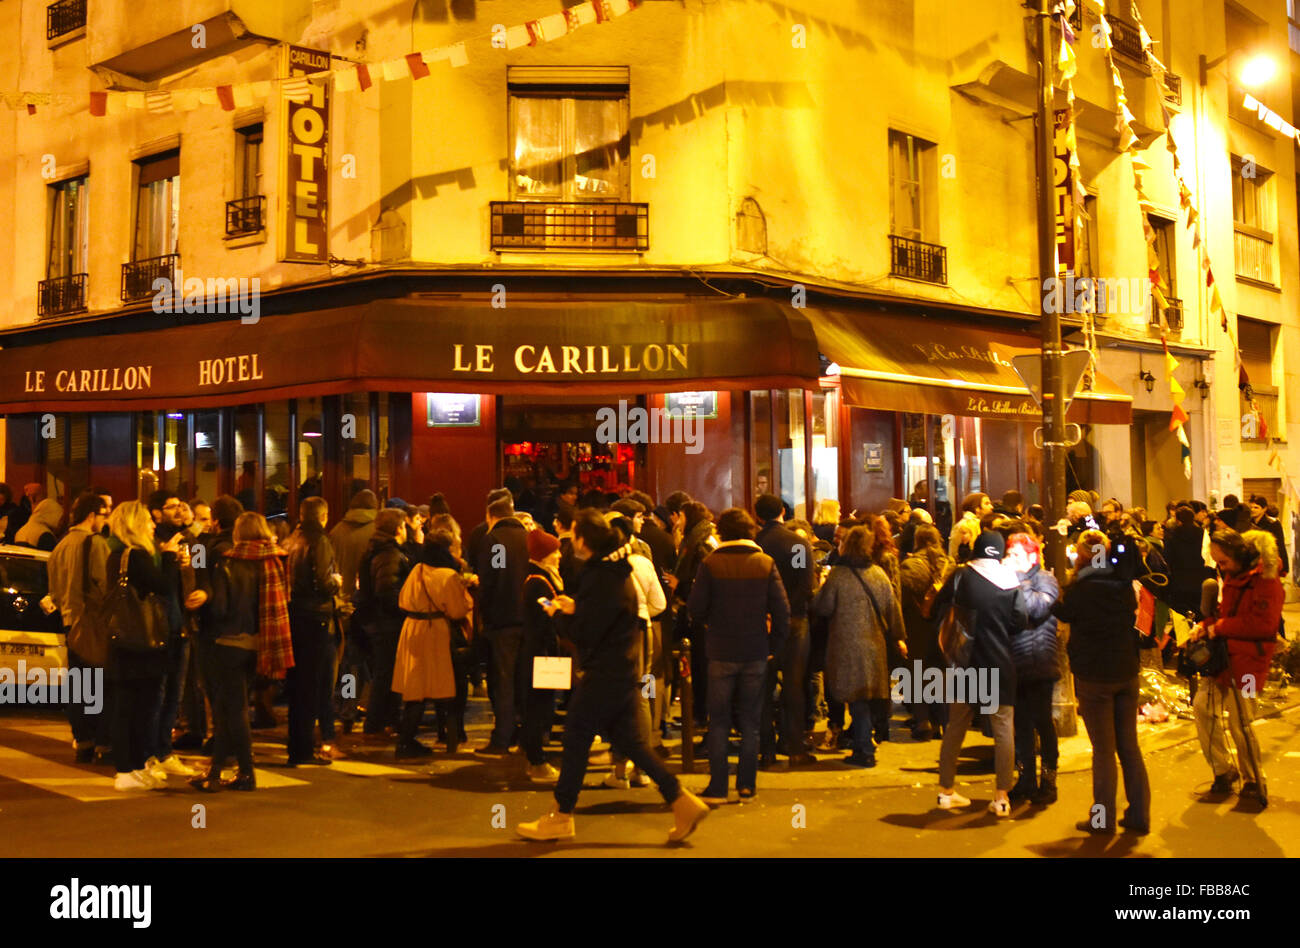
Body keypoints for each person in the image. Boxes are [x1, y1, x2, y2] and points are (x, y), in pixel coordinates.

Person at [515, 510, 709, 842]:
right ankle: (681, 799)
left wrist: (560, 614)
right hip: (621, 668)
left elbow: (586, 632)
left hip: (604, 672)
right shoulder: (614, 571)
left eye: (573, 534)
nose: (569, 542)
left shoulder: (601, 576)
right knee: (632, 744)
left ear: (584, 540)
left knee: (576, 738)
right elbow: (603, 617)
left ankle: (562, 815)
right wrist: (576, 608)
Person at [688, 508, 789, 802]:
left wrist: (711, 622)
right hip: (755, 650)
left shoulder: (710, 563)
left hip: (720, 650)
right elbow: (782, 612)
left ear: (723, 532)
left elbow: (695, 608)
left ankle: (718, 786)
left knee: (718, 720)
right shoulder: (765, 563)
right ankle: (747, 785)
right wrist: (773, 647)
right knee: (750, 721)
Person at [1052, 530, 1150, 834]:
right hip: (1125, 670)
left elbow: (1064, 613)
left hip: (1094, 675)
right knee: (1129, 747)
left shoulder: (1081, 588)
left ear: (1082, 555)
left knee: (1104, 751)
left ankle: (1102, 819)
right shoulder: (1122, 584)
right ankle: (1139, 815)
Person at [192, 512, 295, 792]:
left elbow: (221, 608)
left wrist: (202, 608)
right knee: (232, 709)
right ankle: (215, 772)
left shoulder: (229, 562)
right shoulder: (275, 560)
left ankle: (246, 772)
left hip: (229, 644)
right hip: (261, 644)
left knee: (231, 711)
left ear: (238, 533)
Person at [1190, 530, 1282, 807]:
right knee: (1202, 709)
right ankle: (1222, 770)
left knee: (1241, 723)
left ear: (1239, 557)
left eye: (1223, 562)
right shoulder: (1231, 578)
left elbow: (1264, 626)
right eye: (1217, 563)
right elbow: (1226, 614)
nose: (1220, 568)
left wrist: (1219, 628)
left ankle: (1254, 780)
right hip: (1224, 661)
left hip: (1251, 667)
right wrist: (1205, 627)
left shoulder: (1267, 582)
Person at [935, 530, 1019, 817]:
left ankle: (946, 791)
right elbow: (1020, 620)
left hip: (964, 663)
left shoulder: (961, 576)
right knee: (1003, 728)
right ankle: (1001, 797)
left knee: (956, 726)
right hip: (999, 662)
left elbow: (937, 606)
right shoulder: (1010, 581)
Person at [104, 501, 185, 791]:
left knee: (133, 705)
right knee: (136, 707)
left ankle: (135, 766)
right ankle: (128, 768)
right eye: (148, 521)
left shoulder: (118, 555)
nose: (153, 526)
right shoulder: (136, 556)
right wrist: (170, 557)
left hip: (126, 641)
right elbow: (163, 586)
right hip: (141, 642)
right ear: (135, 524)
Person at [813, 524, 906, 768]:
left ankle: (864, 750)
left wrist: (821, 585)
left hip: (844, 645)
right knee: (865, 697)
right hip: (874, 644)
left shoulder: (838, 576)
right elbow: (892, 608)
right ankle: (866, 743)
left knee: (856, 700)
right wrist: (899, 637)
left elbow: (822, 607)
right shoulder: (878, 573)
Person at [392, 528, 474, 759]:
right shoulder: (447, 576)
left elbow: (402, 600)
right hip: (435, 632)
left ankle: (406, 739)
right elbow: (457, 610)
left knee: (415, 688)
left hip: (411, 629)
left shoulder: (417, 569)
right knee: (439, 686)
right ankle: (444, 736)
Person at [47, 491, 112, 764]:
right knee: (101, 685)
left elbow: (54, 590)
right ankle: (101, 743)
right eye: (104, 514)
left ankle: (82, 741)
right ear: (91, 516)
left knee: (79, 685)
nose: (105, 520)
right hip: (93, 623)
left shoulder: (61, 545)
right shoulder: (94, 543)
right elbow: (105, 585)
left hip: (69, 622)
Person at [755, 493, 816, 765]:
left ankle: (766, 750)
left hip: (762, 623)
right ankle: (794, 746)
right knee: (794, 685)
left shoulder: (756, 545)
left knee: (763, 688)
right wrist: (789, 610)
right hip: (795, 621)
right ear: (782, 511)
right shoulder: (798, 544)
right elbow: (806, 586)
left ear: (758, 515)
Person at [283, 497, 342, 766]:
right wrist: (335, 583)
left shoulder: (291, 540)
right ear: (324, 515)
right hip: (315, 616)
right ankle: (304, 749)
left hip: (293, 615)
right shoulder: (320, 540)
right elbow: (321, 581)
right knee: (313, 685)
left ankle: (296, 745)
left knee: (297, 686)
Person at [1004, 532, 1061, 806]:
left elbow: (1035, 609)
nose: (1010, 559)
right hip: (1015, 662)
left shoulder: (1045, 579)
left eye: (1016, 555)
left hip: (1039, 663)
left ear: (1032, 557)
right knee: (1021, 725)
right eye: (1009, 554)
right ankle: (1025, 780)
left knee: (1042, 722)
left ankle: (1049, 781)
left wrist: (1018, 579)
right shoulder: (1010, 580)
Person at [474, 494, 530, 755]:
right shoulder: (529, 538)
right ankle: (523, 732)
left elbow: (492, 578)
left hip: (503, 619)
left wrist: (484, 611)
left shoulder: (495, 541)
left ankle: (502, 737)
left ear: (490, 516)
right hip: (528, 619)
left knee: (503, 680)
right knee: (522, 679)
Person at [357, 509, 412, 736]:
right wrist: (404, 607)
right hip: (386, 622)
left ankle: (385, 719)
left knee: (385, 672)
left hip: (375, 620)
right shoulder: (389, 554)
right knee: (386, 673)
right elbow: (386, 590)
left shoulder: (375, 549)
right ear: (398, 528)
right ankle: (377, 722)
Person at [898, 524, 952, 741]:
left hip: (916, 626)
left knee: (917, 673)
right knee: (941, 673)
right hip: (942, 628)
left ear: (917, 541)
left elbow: (901, 599)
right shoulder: (949, 564)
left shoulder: (909, 566)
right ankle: (942, 721)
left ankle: (923, 721)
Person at [520, 527, 564, 779]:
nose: (559, 556)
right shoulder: (538, 583)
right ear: (543, 555)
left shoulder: (542, 578)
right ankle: (536, 760)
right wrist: (556, 608)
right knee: (540, 706)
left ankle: (532, 752)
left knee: (540, 704)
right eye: (554, 552)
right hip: (541, 654)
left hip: (541, 651)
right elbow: (545, 611)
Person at [1245, 496, 1289, 578]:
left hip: (1269, 563)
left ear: (1264, 509)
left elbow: (1280, 545)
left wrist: (1284, 567)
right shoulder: (1247, 523)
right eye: (1251, 507)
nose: (1252, 510)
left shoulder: (1273, 524)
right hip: (1252, 564)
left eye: (1256, 507)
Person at [949, 493, 992, 559]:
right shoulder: (966, 525)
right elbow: (954, 553)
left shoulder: (977, 523)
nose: (991, 507)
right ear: (976, 508)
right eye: (986, 504)